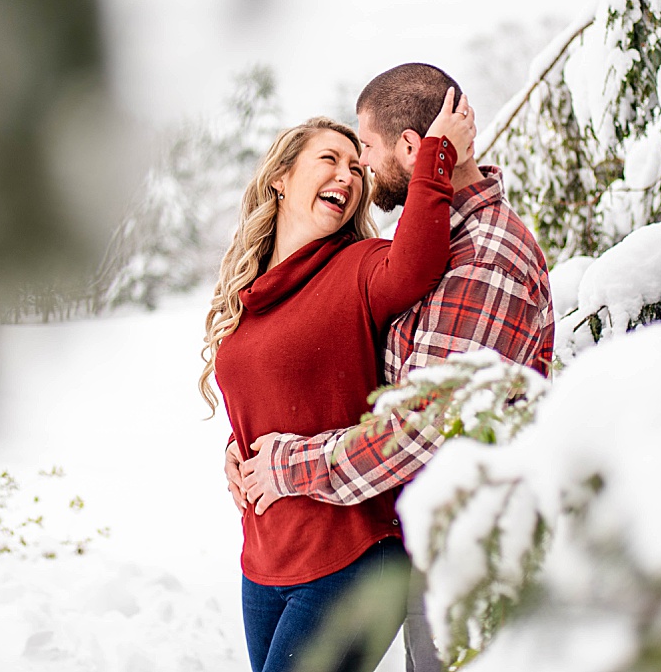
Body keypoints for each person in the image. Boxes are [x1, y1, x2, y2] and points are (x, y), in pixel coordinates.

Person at [232, 63, 555, 672]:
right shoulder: (442, 242)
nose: (360, 169)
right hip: (424, 546)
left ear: (410, 147)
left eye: (365, 149)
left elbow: (421, 430)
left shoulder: (484, 256)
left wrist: (285, 466)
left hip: (470, 555)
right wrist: (245, 450)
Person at [202, 90, 477, 672]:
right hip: (265, 562)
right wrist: (236, 446)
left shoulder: (361, 265)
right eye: (328, 159)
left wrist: (436, 154)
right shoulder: (251, 294)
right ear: (280, 178)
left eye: (356, 165)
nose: (347, 175)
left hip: (350, 555)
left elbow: (417, 265)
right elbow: (273, 390)